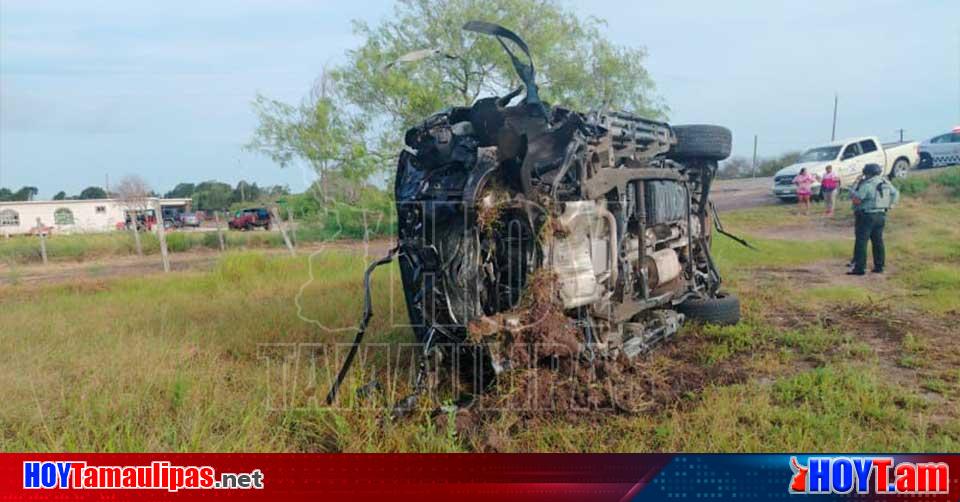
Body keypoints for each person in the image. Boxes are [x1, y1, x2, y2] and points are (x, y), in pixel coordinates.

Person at [848, 163, 899, 275]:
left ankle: (860, 268)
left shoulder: (867, 184)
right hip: (881, 214)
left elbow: (858, 200)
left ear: (868, 173)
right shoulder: (885, 182)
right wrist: (891, 205)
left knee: (861, 241)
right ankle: (879, 266)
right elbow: (895, 193)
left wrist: (852, 191)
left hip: (866, 215)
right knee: (878, 241)